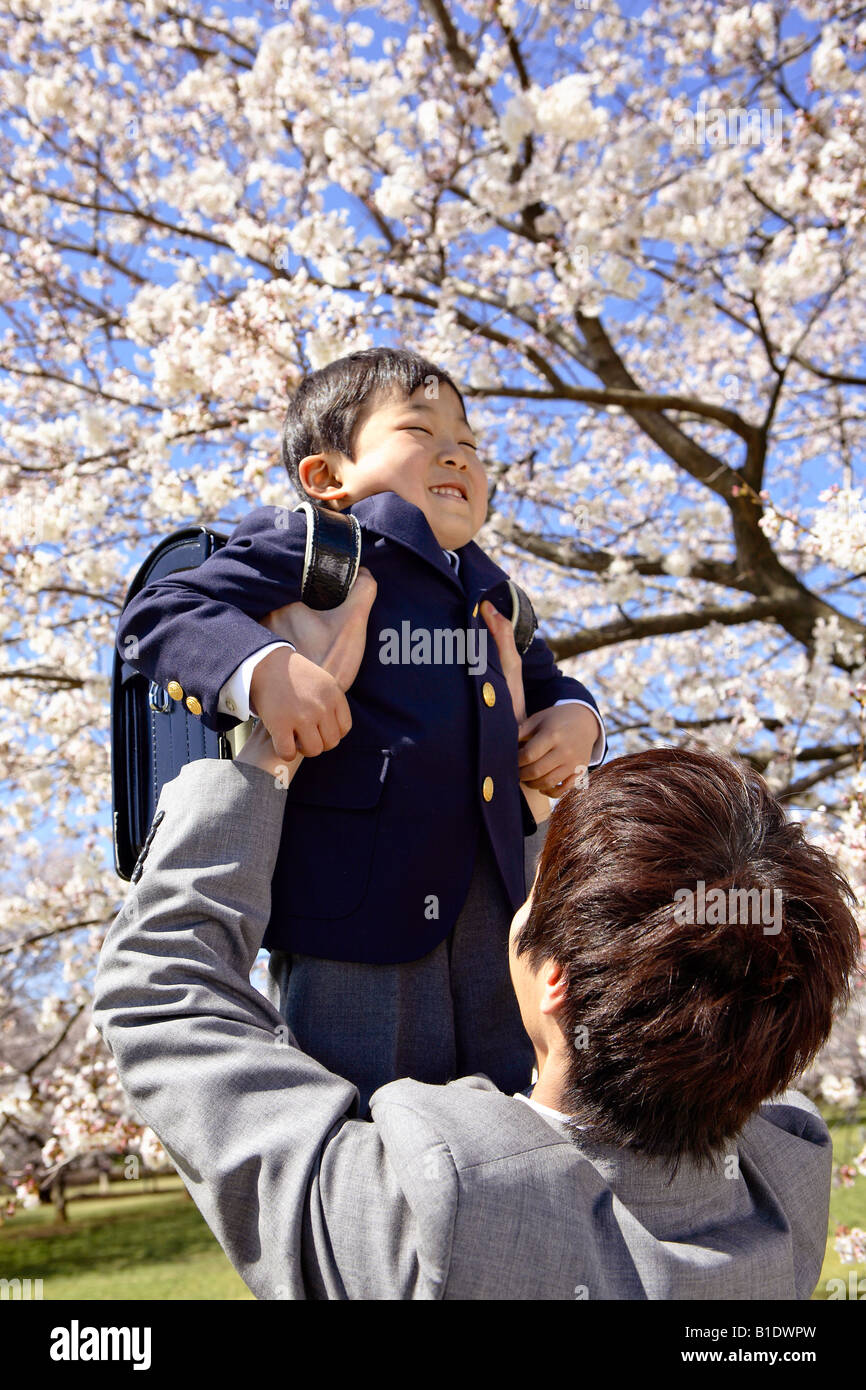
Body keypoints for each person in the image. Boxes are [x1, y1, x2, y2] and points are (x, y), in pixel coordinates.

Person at [94, 583, 861, 1301]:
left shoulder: (434, 1215)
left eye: (535, 893)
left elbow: (162, 995)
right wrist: (517, 803)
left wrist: (269, 755)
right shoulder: (784, 1181)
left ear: (557, 981)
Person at [114, 346, 606, 1110]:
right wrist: (266, 669)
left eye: (469, 442)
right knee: (371, 1116)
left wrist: (579, 722)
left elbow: (551, 687)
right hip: (355, 917)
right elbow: (161, 611)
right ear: (326, 477)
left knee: (517, 1115)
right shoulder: (321, 548)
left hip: (497, 918)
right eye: (419, 430)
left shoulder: (499, 597)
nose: (457, 453)